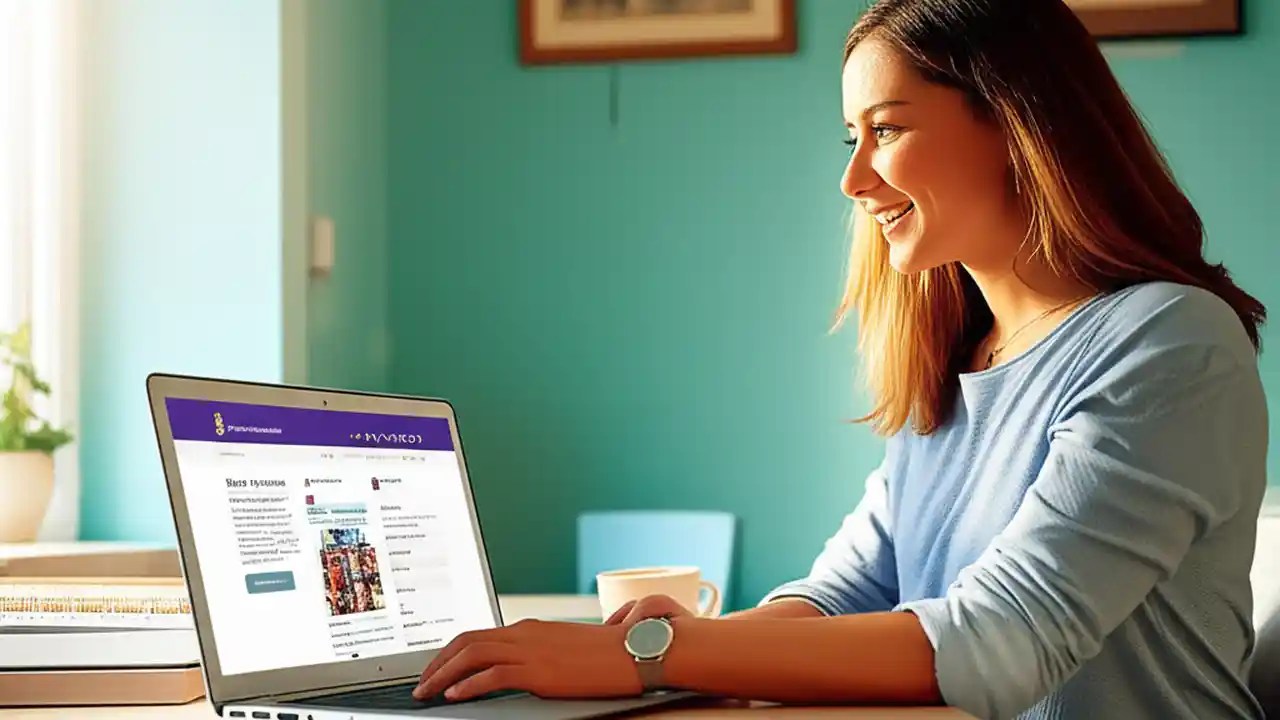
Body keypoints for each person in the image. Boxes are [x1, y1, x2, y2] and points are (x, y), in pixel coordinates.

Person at [412, 0, 1270, 717]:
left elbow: (1003, 643)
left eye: (886, 130)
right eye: (848, 138)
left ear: (1016, 124)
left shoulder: (1169, 342)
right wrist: (689, 641)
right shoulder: (959, 356)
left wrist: (659, 654)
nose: (854, 179)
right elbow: (844, 592)